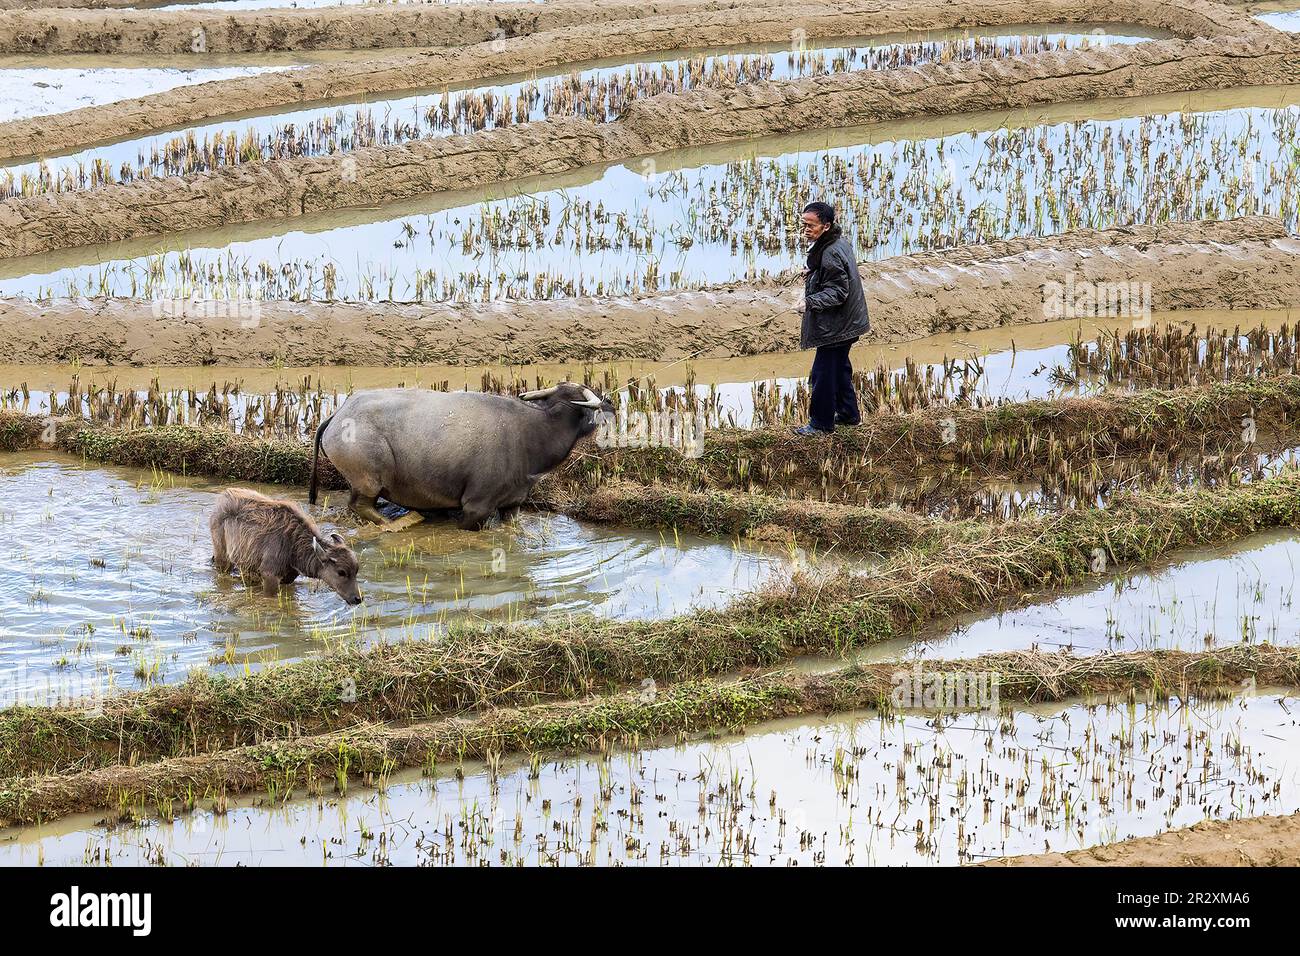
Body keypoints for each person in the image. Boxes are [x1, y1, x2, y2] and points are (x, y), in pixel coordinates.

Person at [793, 201, 870, 436]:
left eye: (811, 225)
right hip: (849, 321)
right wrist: (813, 272)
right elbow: (839, 274)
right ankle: (848, 414)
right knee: (839, 368)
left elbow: (838, 291)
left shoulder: (831, 253)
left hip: (838, 326)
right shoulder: (836, 243)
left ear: (825, 226)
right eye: (804, 224)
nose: (806, 229)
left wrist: (809, 302)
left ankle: (821, 424)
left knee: (823, 374)